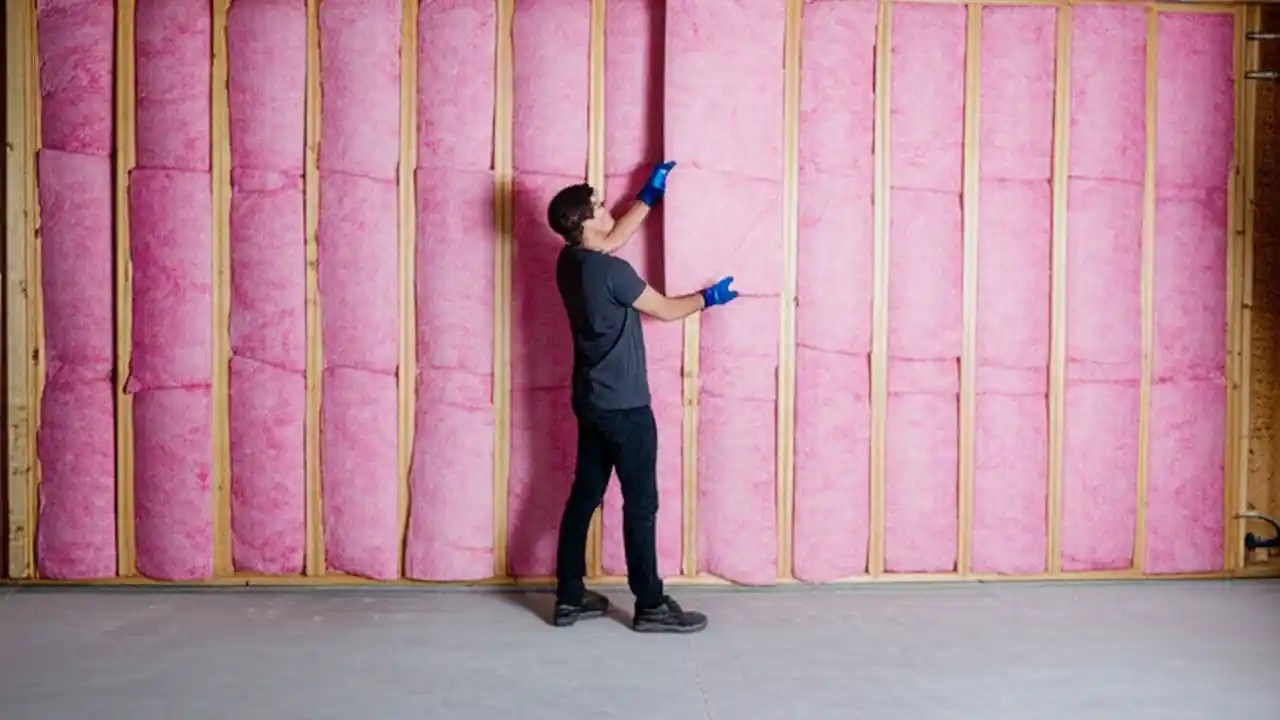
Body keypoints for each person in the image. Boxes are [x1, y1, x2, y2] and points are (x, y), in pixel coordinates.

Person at [545, 161, 737, 633]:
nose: (606, 208)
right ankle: (649, 605)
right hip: (627, 408)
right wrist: (707, 298)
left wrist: (647, 197)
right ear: (584, 223)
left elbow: (610, 239)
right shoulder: (614, 274)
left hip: (591, 403)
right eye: (599, 206)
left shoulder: (570, 261)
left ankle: (569, 596)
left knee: (584, 496)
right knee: (641, 503)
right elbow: (669, 310)